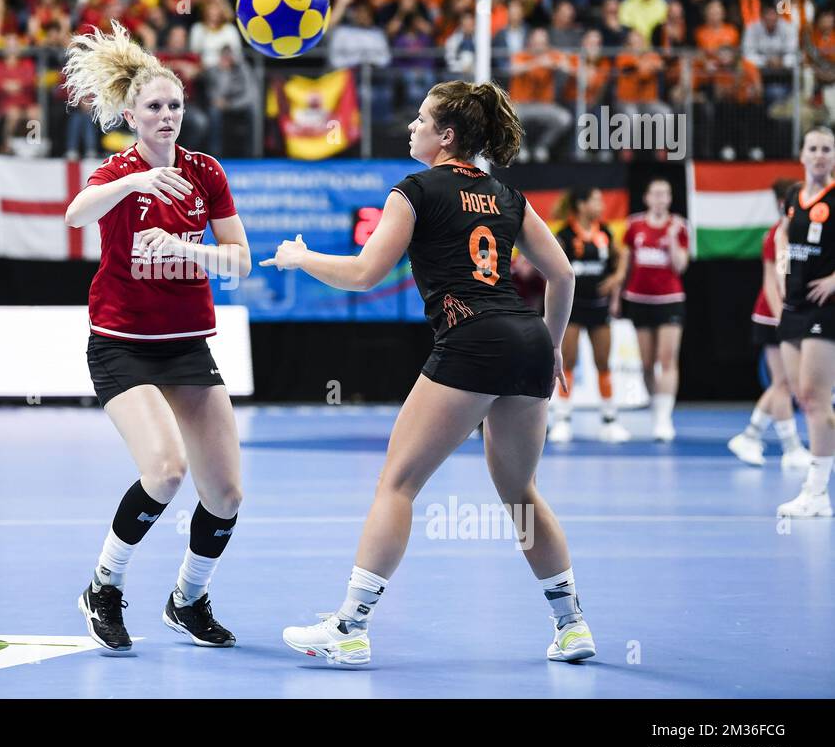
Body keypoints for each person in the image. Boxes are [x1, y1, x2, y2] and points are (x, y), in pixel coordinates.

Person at [264, 80, 595, 665]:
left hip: (472, 341)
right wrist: (554, 345)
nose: (410, 128)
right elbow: (563, 276)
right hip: (525, 341)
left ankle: (351, 627)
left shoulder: (414, 191)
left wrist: (300, 258)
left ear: (446, 137)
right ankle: (573, 626)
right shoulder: (506, 195)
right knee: (520, 493)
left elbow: (366, 273)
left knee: (398, 483)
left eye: (420, 120)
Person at [62, 20, 254, 650]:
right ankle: (105, 586)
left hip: (187, 345)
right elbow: (75, 214)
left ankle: (188, 599)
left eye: (174, 105)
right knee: (166, 471)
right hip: (121, 341)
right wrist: (133, 183)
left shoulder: (205, 173)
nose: (167, 115)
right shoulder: (118, 173)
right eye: (154, 107)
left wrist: (184, 251)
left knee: (224, 492)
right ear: (130, 114)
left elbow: (239, 260)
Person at [728, 179, 810, 470]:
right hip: (772, 316)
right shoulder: (776, 235)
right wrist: (783, 320)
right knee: (782, 383)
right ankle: (791, 448)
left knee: (784, 382)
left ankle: (750, 436)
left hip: (795, 314)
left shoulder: (807, 232)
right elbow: (773, 282)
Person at [774, 127, 835, 517]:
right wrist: (782, 271)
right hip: (793, 306)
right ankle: (815, 488)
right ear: (802, 154)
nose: (819, 155)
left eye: (826, 149)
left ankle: (817, 492)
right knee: (801, 396)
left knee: (815, 397)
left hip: (823, 308)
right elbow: (782, 234)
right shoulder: (794, 196)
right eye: (812, 148)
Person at [548, 187, 631, 443]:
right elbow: (553, 268)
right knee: (568, 362)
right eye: (595, 200)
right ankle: (562, 420)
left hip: (599, 307)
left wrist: (616, 279)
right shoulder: (563, 234)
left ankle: (609, 421)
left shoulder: (605, 233)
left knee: (603, 363)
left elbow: (623, 255)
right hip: (572, 309)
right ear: (581, 205)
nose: (601, 205)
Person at [620, 179, 688, 441]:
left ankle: (663, 418)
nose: (660, 198)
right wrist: (618, 295)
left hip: (669, 299)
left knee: (667, 359)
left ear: (670, 198)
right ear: (647, 197)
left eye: (665, 194)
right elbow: (626, 264)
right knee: (646, 363)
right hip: (639, 298)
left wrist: (671, 239)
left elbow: (681, 266)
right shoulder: (634, 225)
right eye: (656, 194)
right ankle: (654, 406)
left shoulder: (679, 226)